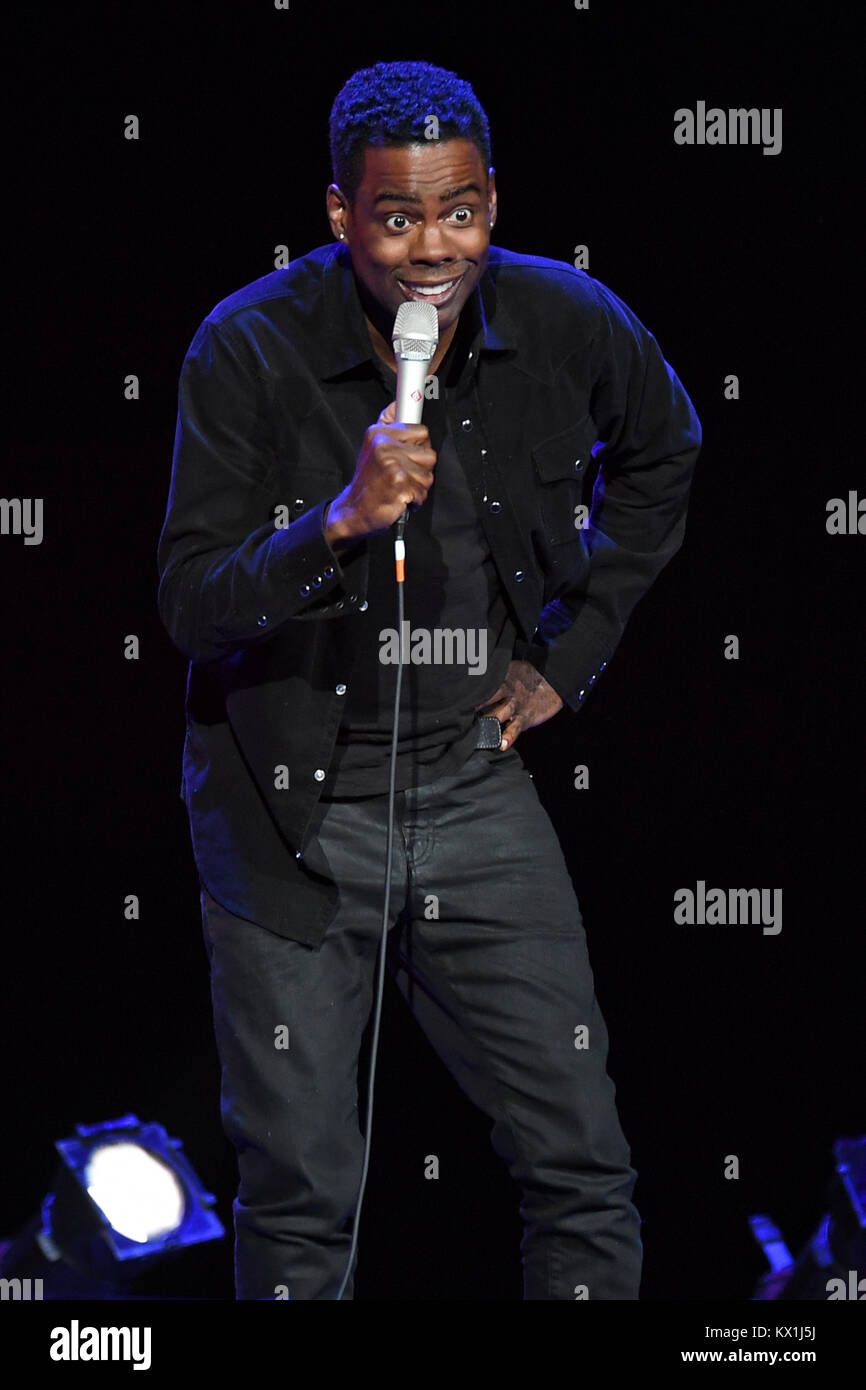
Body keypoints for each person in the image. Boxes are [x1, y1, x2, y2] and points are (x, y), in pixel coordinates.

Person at [157, 59, 702, 1301]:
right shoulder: (245, 347)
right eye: (395, 218)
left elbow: (666, 452)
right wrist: (335, 523)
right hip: (287, 819)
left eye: (456, 211)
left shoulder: (566, 318)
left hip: (470, 788)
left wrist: (566, 657)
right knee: (300, 1200)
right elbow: (188, 605)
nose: (429, 250)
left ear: (493, 201)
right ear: (340, 212)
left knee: (582, 1166)